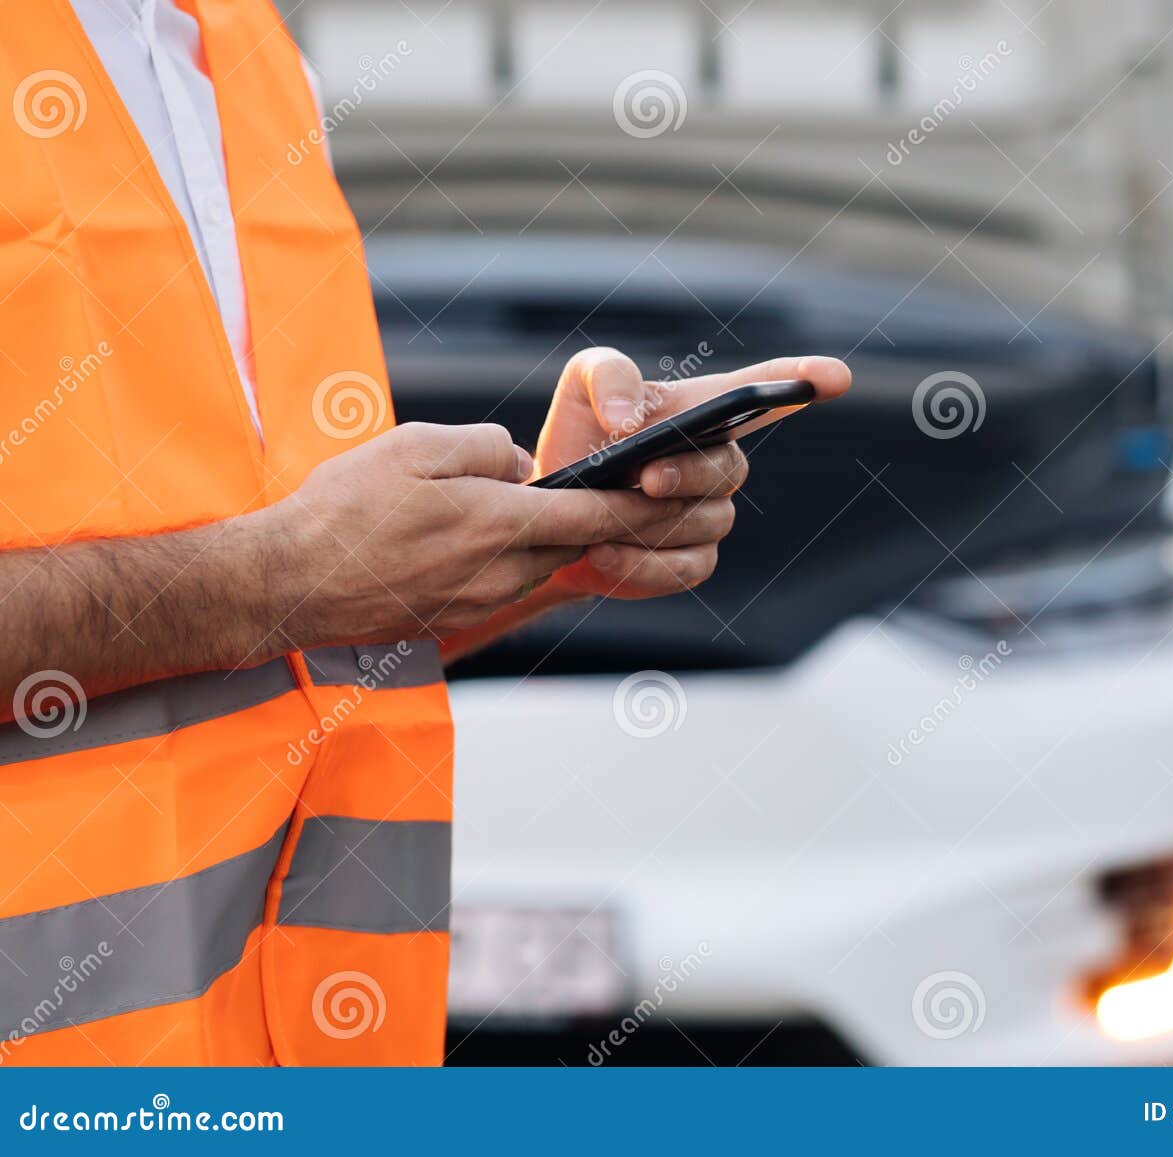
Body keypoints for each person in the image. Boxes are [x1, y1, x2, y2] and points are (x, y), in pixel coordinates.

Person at [0, 0, 850, 1066]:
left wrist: (547, 541)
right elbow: (270, 584)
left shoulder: (246, 57)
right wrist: (278, 577)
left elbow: (285, 637)